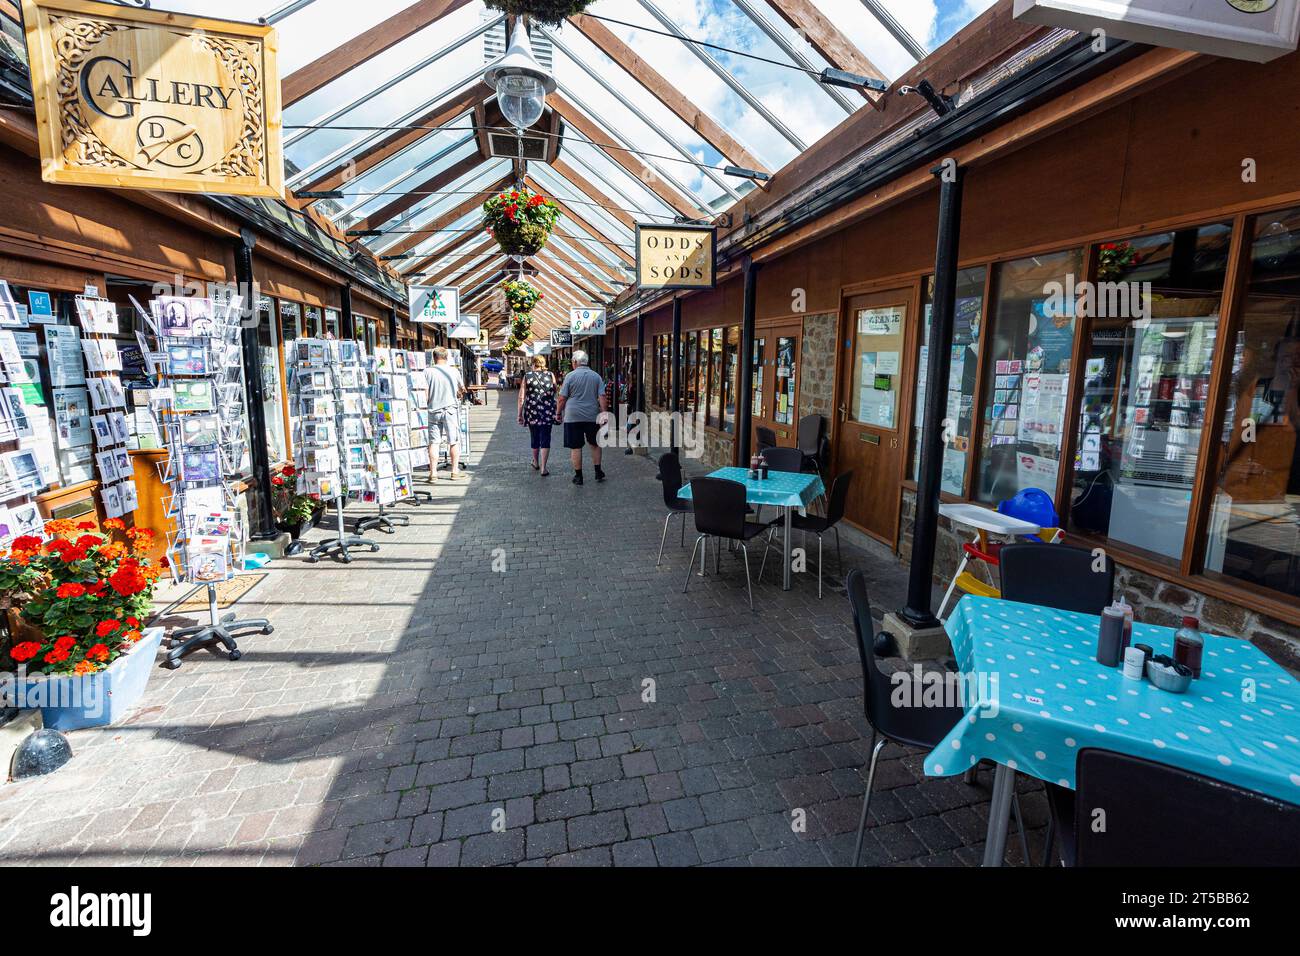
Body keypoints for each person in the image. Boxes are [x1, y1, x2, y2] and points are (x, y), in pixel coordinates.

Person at [556, 349, 608, 485]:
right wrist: (604, 414)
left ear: (575, 362)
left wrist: (558, 413)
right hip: (592, 415)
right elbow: (602, 397)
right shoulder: (596, 376)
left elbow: (562, 398)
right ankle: (598, 472)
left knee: (576, 447)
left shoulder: (570, 376)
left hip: (573, 416)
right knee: (595, 444)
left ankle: (579, 477)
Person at [423, 346, 466, 480]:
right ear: (446, 357)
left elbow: (425, 392)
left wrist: (427, 404)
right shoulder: (454, 371)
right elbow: (462, 389)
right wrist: (459, 393)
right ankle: (454, 472)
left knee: (434, 442)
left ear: (434, 358)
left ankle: (433, 473)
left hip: (433, 410)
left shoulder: (427, 371)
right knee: (453, 441)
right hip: (450, 410)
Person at [518, 355, 557, 476]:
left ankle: (535, 462)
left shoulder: (527, 376)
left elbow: (521, 397)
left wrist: (519, 414)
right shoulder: (550, 375)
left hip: (532, 411)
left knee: (534, 436)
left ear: (533, 364)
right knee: (546, 437)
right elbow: (555, 391)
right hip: (547, 411)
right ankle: (543, 468)